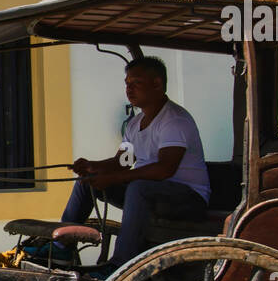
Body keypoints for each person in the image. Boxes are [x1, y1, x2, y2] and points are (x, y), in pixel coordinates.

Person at [60, 56, 210, 268]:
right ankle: (61, 248)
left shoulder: (174, 120)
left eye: (136, 83)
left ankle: (120, 265)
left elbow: (165, 169)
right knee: (87, 182)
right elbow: (122, 162)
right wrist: (92, 167)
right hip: (150, 193)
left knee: (138, 188)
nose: (129, 89)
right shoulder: (135, 123)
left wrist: (113, 177)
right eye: (127, 84)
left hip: (188, 198)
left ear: (157, 84)